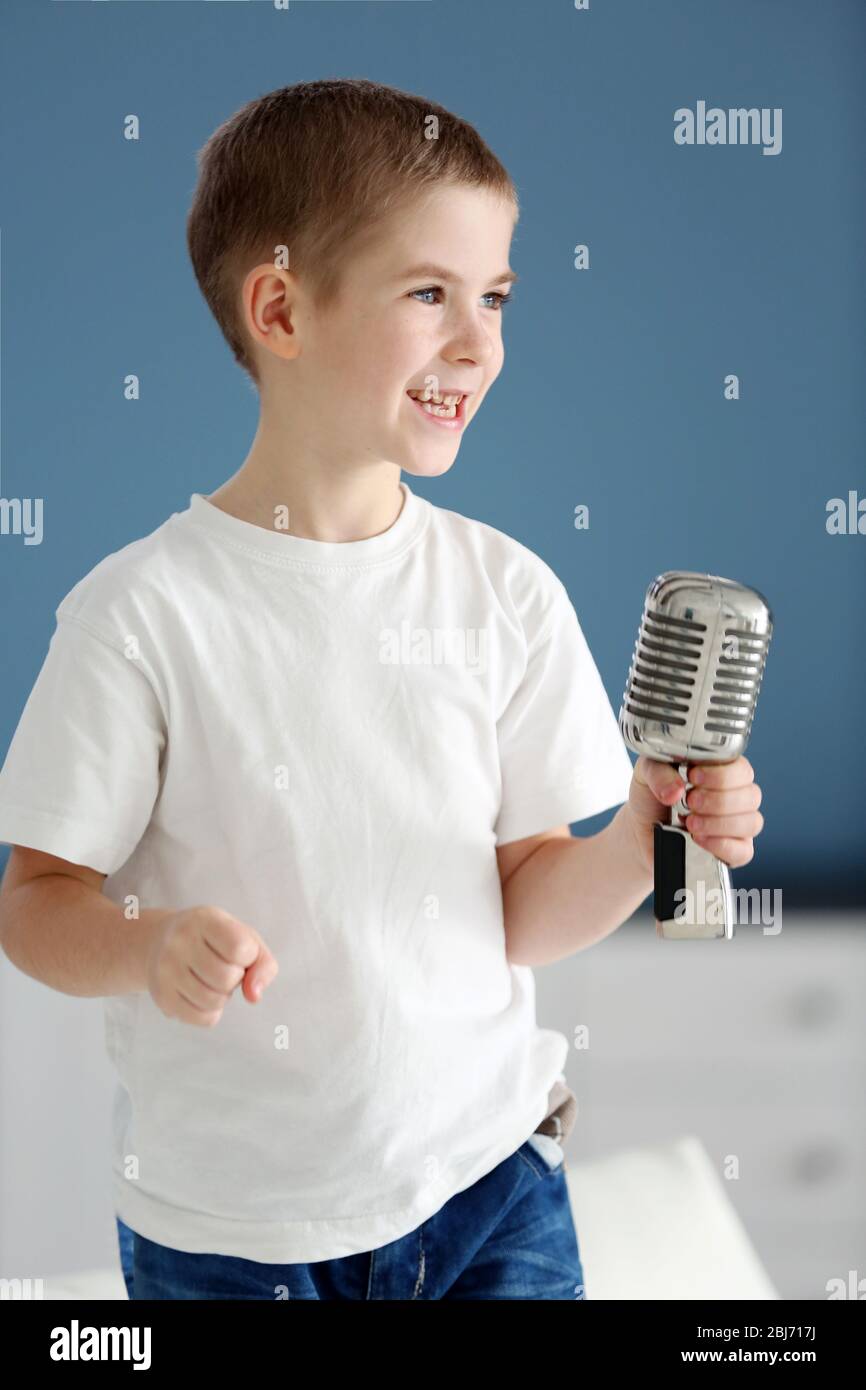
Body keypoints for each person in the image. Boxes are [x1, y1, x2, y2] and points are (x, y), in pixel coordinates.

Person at [0, 79, 764, 1300]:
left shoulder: (502, 593)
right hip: (227, 1235)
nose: (480, 341)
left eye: (495, 298)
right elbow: (35, 903)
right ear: (280, 308)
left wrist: (638, 835)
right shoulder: (140, 616)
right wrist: (146, 947)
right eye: (430, 294)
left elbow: (520, 906)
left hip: (486, 1186)